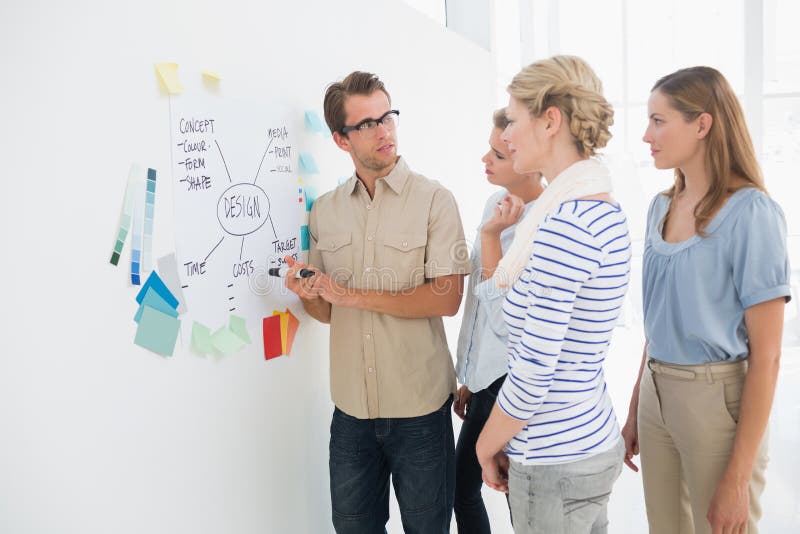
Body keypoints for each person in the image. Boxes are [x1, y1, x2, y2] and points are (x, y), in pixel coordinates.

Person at [281, 71, 470, 533]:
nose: (383, 130)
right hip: (350, 414)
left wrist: (349, 294)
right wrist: (310, 294)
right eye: (366, 123)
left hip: (420, 411)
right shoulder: (324, 210)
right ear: (341, 140)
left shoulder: (435, 200)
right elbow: (326, 312)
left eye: (387, 116)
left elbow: (447, 299)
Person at [621, 66, 790, 534]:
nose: (646, 135)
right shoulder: (660, 208)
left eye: (658, 121)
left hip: (715, 401)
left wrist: (738, 478)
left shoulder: (752, 214)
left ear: (702, 124)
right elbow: (657, 322)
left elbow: (769, 356)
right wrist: (637, 404)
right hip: (656, 396)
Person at [474, 55, 631, 534]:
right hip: (585, 437)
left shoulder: (566, 227)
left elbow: (535, 370)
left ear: (550, 121)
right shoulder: (600, 208)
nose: (506, 136)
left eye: (514, 121)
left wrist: (484, 445)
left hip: (554, 456)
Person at [453, 108, 544, 533]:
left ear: (526, 158)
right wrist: (471, 374)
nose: (485, 161)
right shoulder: (496, 202)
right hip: (488, 377)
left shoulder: (543, 224)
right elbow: (478, 299)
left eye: (497, 155)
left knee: (512, 497)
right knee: (464, 487)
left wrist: (492, 237)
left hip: (514, 381)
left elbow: (508, 319)